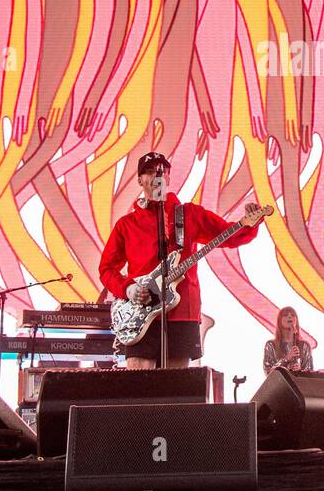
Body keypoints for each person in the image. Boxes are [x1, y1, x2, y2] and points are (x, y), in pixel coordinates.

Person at [99, 152, 265, 369]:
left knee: (176, 389)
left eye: (162, 171)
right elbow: (107, 268)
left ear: (168, 178)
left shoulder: (189, 214)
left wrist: (248, 224)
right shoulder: (126, 224)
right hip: (139, 313)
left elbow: (227, 235)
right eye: (150, 171)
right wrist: (128, 289)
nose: (157, 175)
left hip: (181, 311)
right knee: (139, 386)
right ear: (140, 180)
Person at [263, 307, 314, 374]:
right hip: (279, 384)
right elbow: (268, 372)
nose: (290, 317)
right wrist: (286, 359)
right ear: (280, 321)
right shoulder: (271, 345)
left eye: (292, 315)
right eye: (285, 315)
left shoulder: (304, 345)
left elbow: (310, 373)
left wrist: (300, 371)